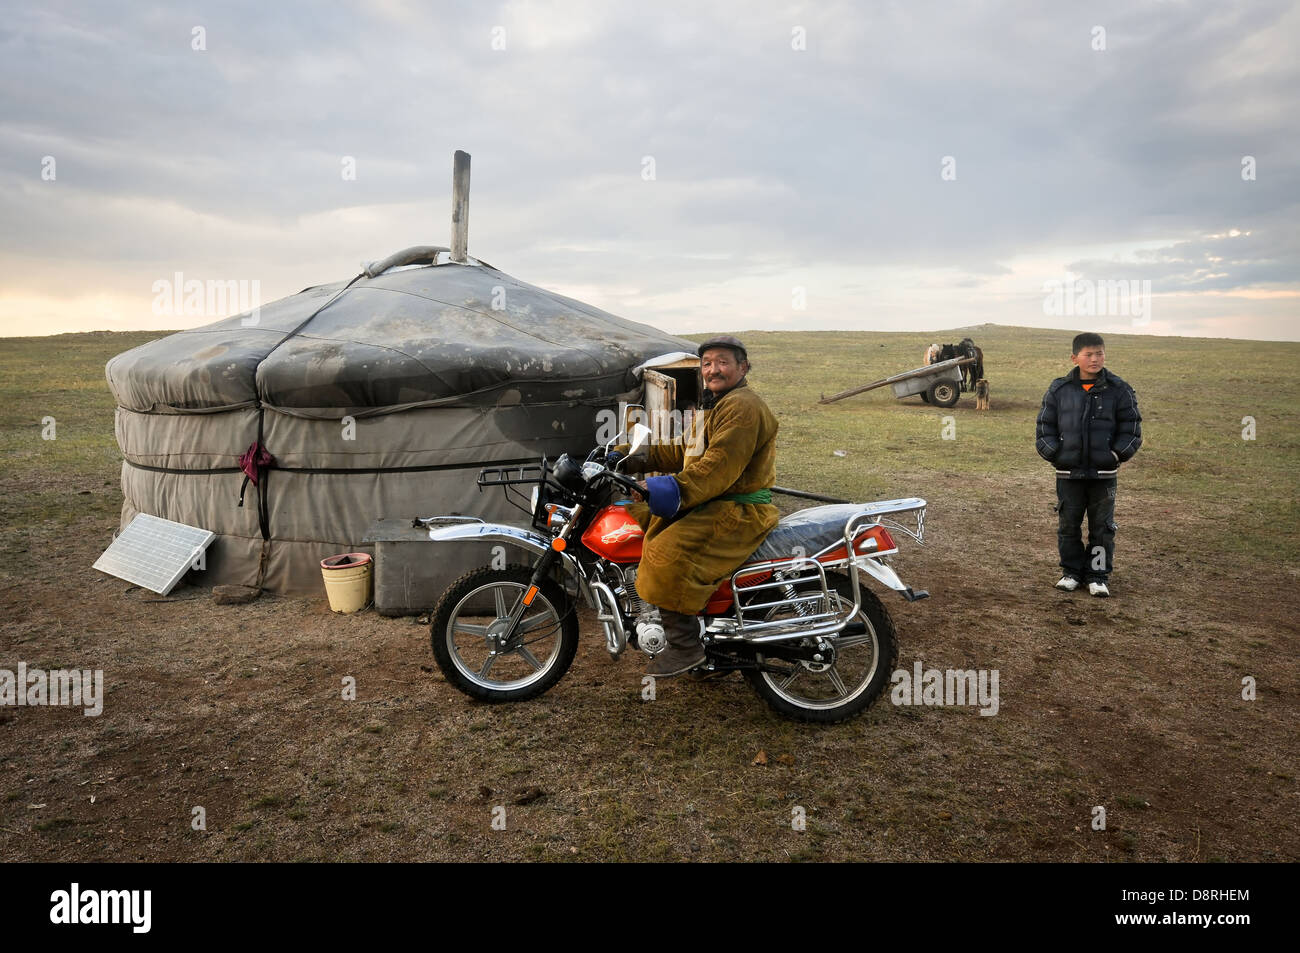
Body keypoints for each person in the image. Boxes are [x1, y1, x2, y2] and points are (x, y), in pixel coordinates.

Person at [617, 335, 779, 676]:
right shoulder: (718, 404)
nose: (712, 369)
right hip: (715, 502)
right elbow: (682, 451)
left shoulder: (743, 407)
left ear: (743, 367)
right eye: (706, 363)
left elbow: (717, 468)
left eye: (722, 362)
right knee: (639, 519)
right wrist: (627, 458)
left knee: (664, 554)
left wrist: (662, 486)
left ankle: (685, 646)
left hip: (737, 510)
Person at [1035, 332, 1142, 597]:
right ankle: (1071, 573)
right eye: (1088, 354)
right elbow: (1044, 427)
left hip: (1103, 475)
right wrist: (1055, 454)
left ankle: (1097, 576)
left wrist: (1115, 456)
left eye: (1100, 353)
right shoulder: (1059, 390)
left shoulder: (1119, 390)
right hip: (1068, 473)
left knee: (1102, 527)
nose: (1095, 359)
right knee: (1068, 525)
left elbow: (1132, 429)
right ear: (1075, 358)